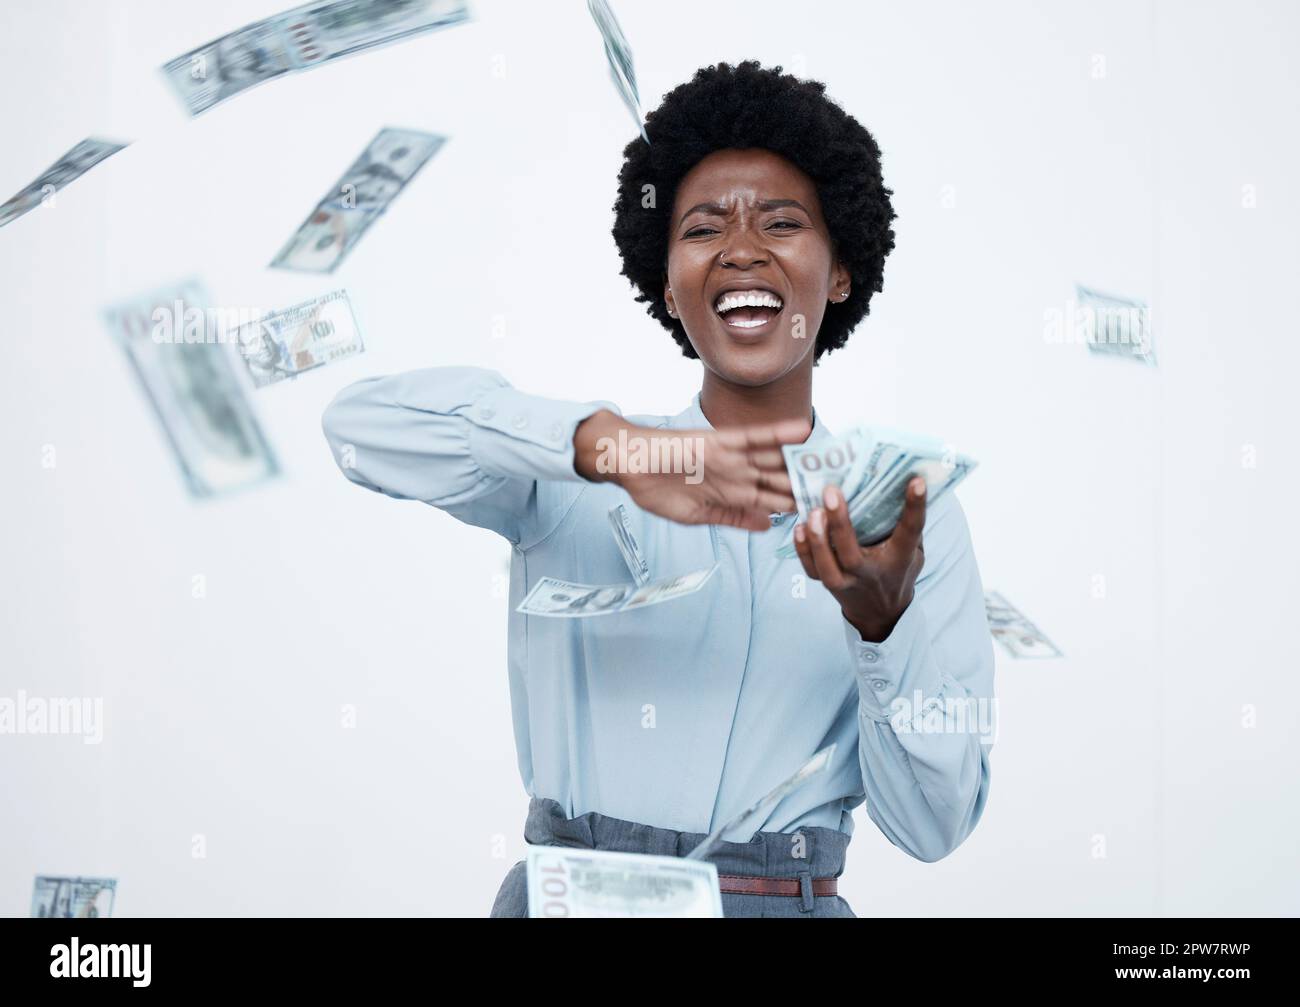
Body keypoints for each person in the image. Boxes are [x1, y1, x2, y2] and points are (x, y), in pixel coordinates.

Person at [321, 60, 994, 918]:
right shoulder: (575, 478)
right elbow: (356, 429)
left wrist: (883, 626)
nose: (742, 249)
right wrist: (604, 447)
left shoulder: (909, 521)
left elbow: (935, 826)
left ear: (839, 271)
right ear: (668, 285)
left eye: (782, 223)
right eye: (703, 228)